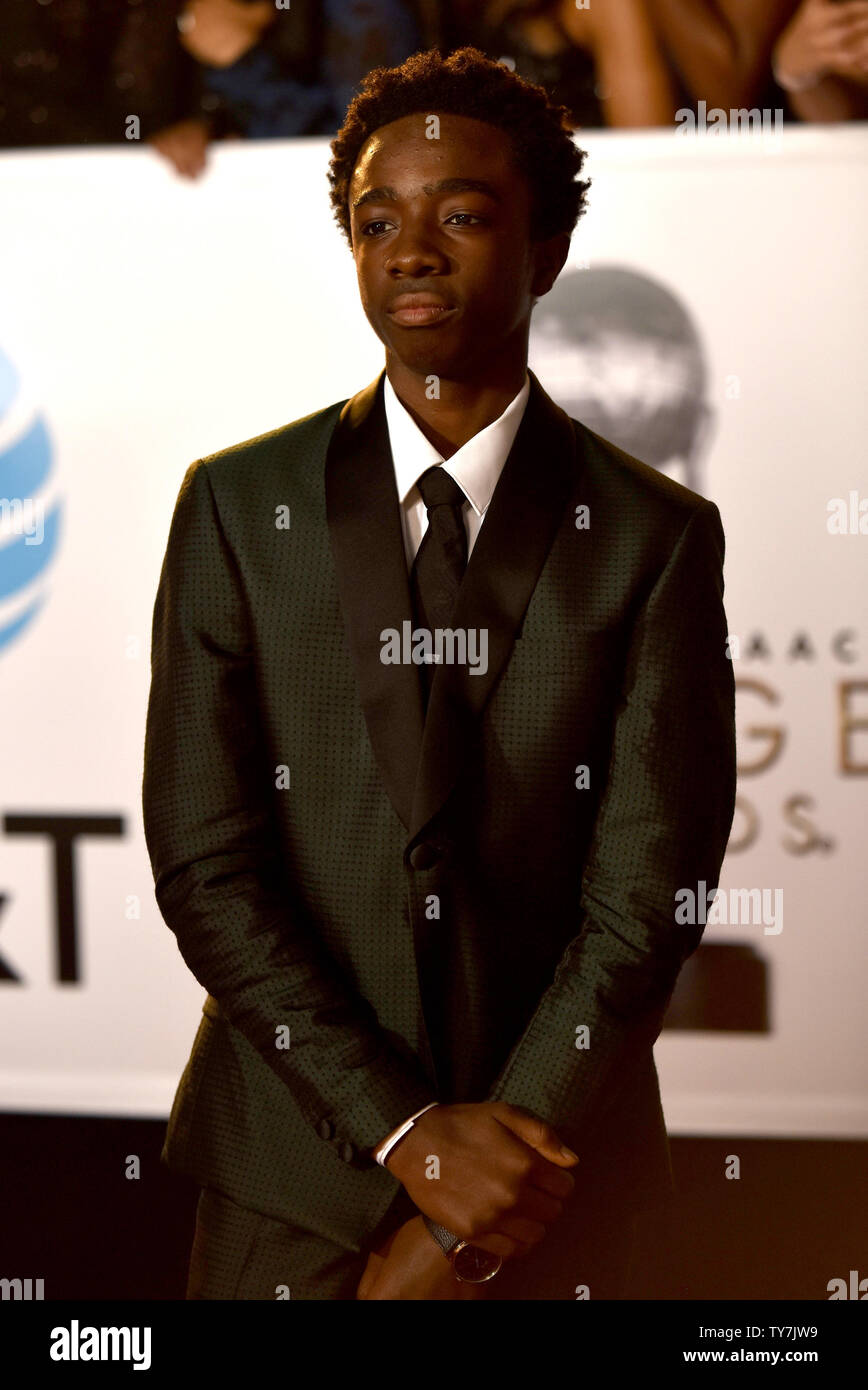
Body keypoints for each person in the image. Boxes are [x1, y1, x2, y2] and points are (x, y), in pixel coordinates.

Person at [142, 45, 737, 1301]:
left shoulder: (652, 535)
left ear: (548, 253)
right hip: (289, 1183)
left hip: (558, 1186)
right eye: (377, 219)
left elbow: (645, 899)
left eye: (460, 213)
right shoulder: (238, 507)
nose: (411, 246)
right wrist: (407, 1137)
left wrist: (480, 1208)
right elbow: (205, 863)